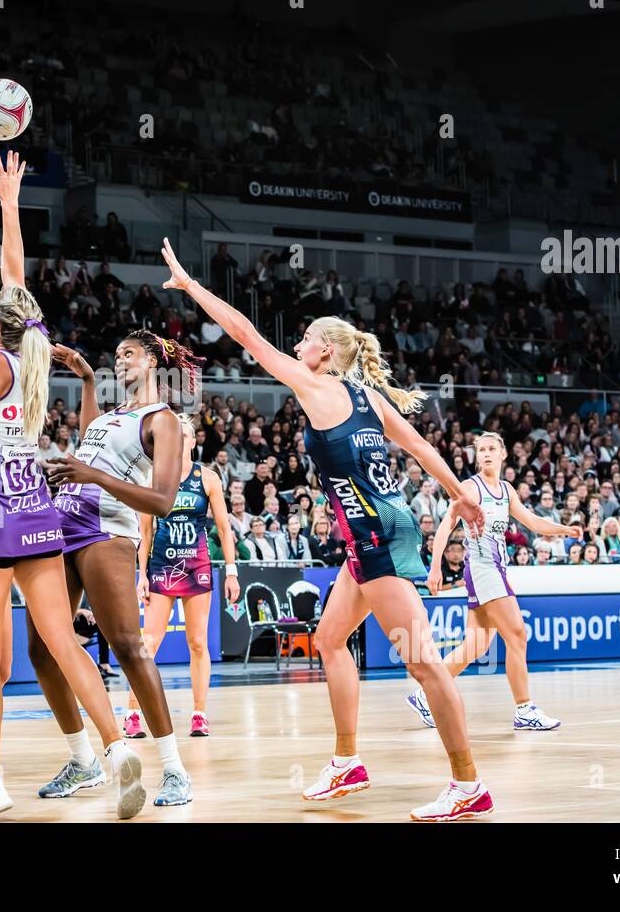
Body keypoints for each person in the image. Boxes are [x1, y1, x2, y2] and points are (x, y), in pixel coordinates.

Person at [159, 236, 492, 821]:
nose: (298, 343)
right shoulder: (368, 397)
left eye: (307, 336)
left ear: (327, 353)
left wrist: (191, 287)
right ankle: (347, 762)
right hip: (378, 534)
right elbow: (418, 445)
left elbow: (245, 335)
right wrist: (459, 494)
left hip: (379, 538)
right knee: (332, 639)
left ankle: (469, 784)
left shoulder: (318, 387)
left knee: (424, 663)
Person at [0, 155, 140, 820]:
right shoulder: (35, 351)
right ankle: (115, 749)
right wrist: (13, 203)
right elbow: (16, 280)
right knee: (63, 639)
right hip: (38, 513)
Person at [41, 329, 201, 808]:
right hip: (60, 527)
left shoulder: (164, 421)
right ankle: (83, 760)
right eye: (115, 355)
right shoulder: (112, 415)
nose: (120, 360)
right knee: (42, 649)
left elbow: (163, 501)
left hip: (107, 533)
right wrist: (89, 381)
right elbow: (89, 443)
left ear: (153, 361)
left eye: (128, 354)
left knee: (129, 647)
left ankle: (174, 769)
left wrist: (92, 476)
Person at [408, 432, 581, 733]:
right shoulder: (469, 488)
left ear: (503, 454)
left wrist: (564, 530)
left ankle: (425, 695)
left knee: (474, 646)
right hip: (482, 567)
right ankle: (524, 709)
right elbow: (446, 526)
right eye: (481, 450)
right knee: (517, 636)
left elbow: (533, 522)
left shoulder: (506, 490)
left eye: (492, 449)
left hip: (496, 569)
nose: (486, 454)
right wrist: (434, 567)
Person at [132, 414, 239, 738]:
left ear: (193, 442)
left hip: (197, 568)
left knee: (197, 643)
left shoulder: (208, 478)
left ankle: (199, 713)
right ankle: (133, 713)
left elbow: (223, 528)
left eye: (186, 435)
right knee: (148, 643)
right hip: (162, 568)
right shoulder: (153, 479)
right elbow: (144, 533)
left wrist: (231, 572)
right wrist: (141, 576)